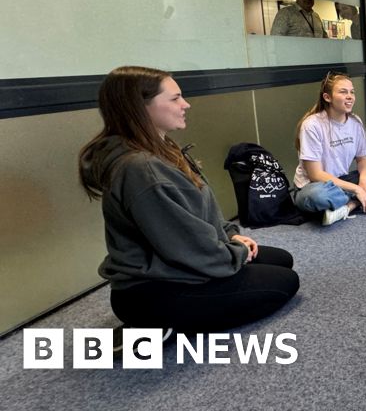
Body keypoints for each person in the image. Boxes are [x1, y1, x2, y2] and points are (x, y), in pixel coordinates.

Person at [78, 66, 299, 335]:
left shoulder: (162, 148)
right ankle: (155, 328)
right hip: (152, 290)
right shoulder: (140, 169)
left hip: (177, 265)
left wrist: (231, 238)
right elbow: (188, 247)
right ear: (140, 107)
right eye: (175, 99)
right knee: (284, 282)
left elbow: (200, 211)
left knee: (279, 259)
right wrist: (234, 254)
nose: (186, 104)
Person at [292, 72, 366, 225]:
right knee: (318, 196)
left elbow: (362, 159)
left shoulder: (355, 121)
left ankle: (349, 206)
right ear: (327, 97)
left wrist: (364, 179)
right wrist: (357, 189)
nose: (350, 96)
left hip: (341, 179)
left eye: (352, 92)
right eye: (343, 92)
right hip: (314, 185)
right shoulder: (312, 125)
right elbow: (315, 174)